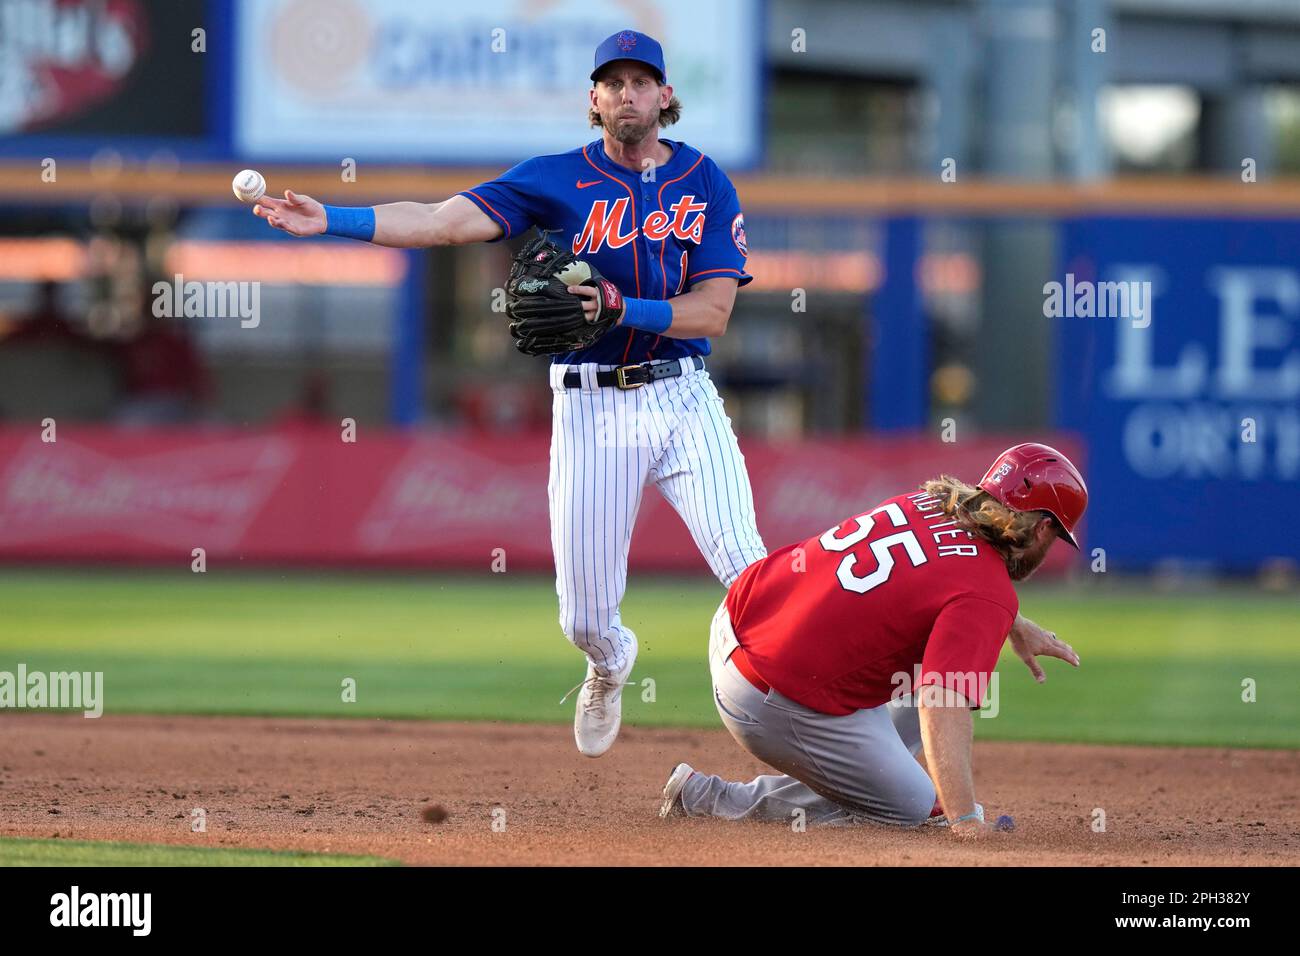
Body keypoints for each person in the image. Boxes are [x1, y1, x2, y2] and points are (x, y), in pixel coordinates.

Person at [252, 29, 768, 757]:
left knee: (751, 573)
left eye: (640, 81)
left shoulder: (705, 181)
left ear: (665, 95)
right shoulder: (555, 178)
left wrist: (620, 307)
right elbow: (440, 223)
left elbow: (712, 313)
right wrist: (334, 219)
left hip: (683, 395)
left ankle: (809, 712)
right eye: (613, 83)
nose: (626, 94)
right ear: (594, 98)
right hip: (590, 404)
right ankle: (609, 662)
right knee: (583, 619)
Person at [658, 442, 1088, 840]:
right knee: (912, 805)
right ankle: (709, 798)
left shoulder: (929, 502)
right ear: (1042, 529)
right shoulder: (986, 593)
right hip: (764, 693)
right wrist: (964, 819)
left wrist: (1010, 620)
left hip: (740, 619)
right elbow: (942, 702)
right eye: (1056, 536)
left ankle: (869, 778)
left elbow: (943, 575)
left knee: (928, 651)